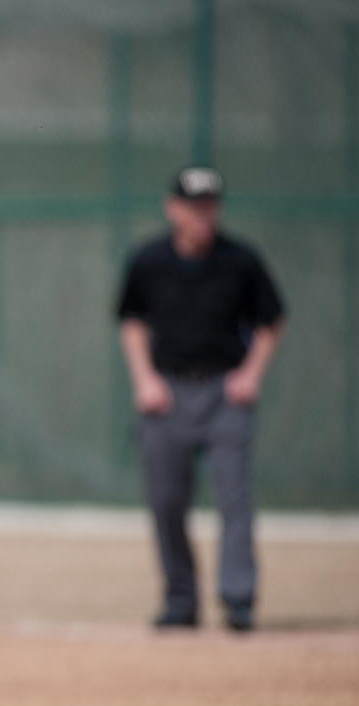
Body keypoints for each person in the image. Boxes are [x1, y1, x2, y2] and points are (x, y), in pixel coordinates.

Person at [116, 166, 285, 632]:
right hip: (166, 393)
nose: (203, 215)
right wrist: (144, 378)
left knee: (234, 499)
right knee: (167, 501)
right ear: (174, 209)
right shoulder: (150, 261)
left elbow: (272, 320)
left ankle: (238, 599)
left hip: (223, 392)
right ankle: (181, 599)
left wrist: (251, 375)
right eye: (194, 206)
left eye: (210, 206)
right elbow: (131, 319)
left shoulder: (240, 261)